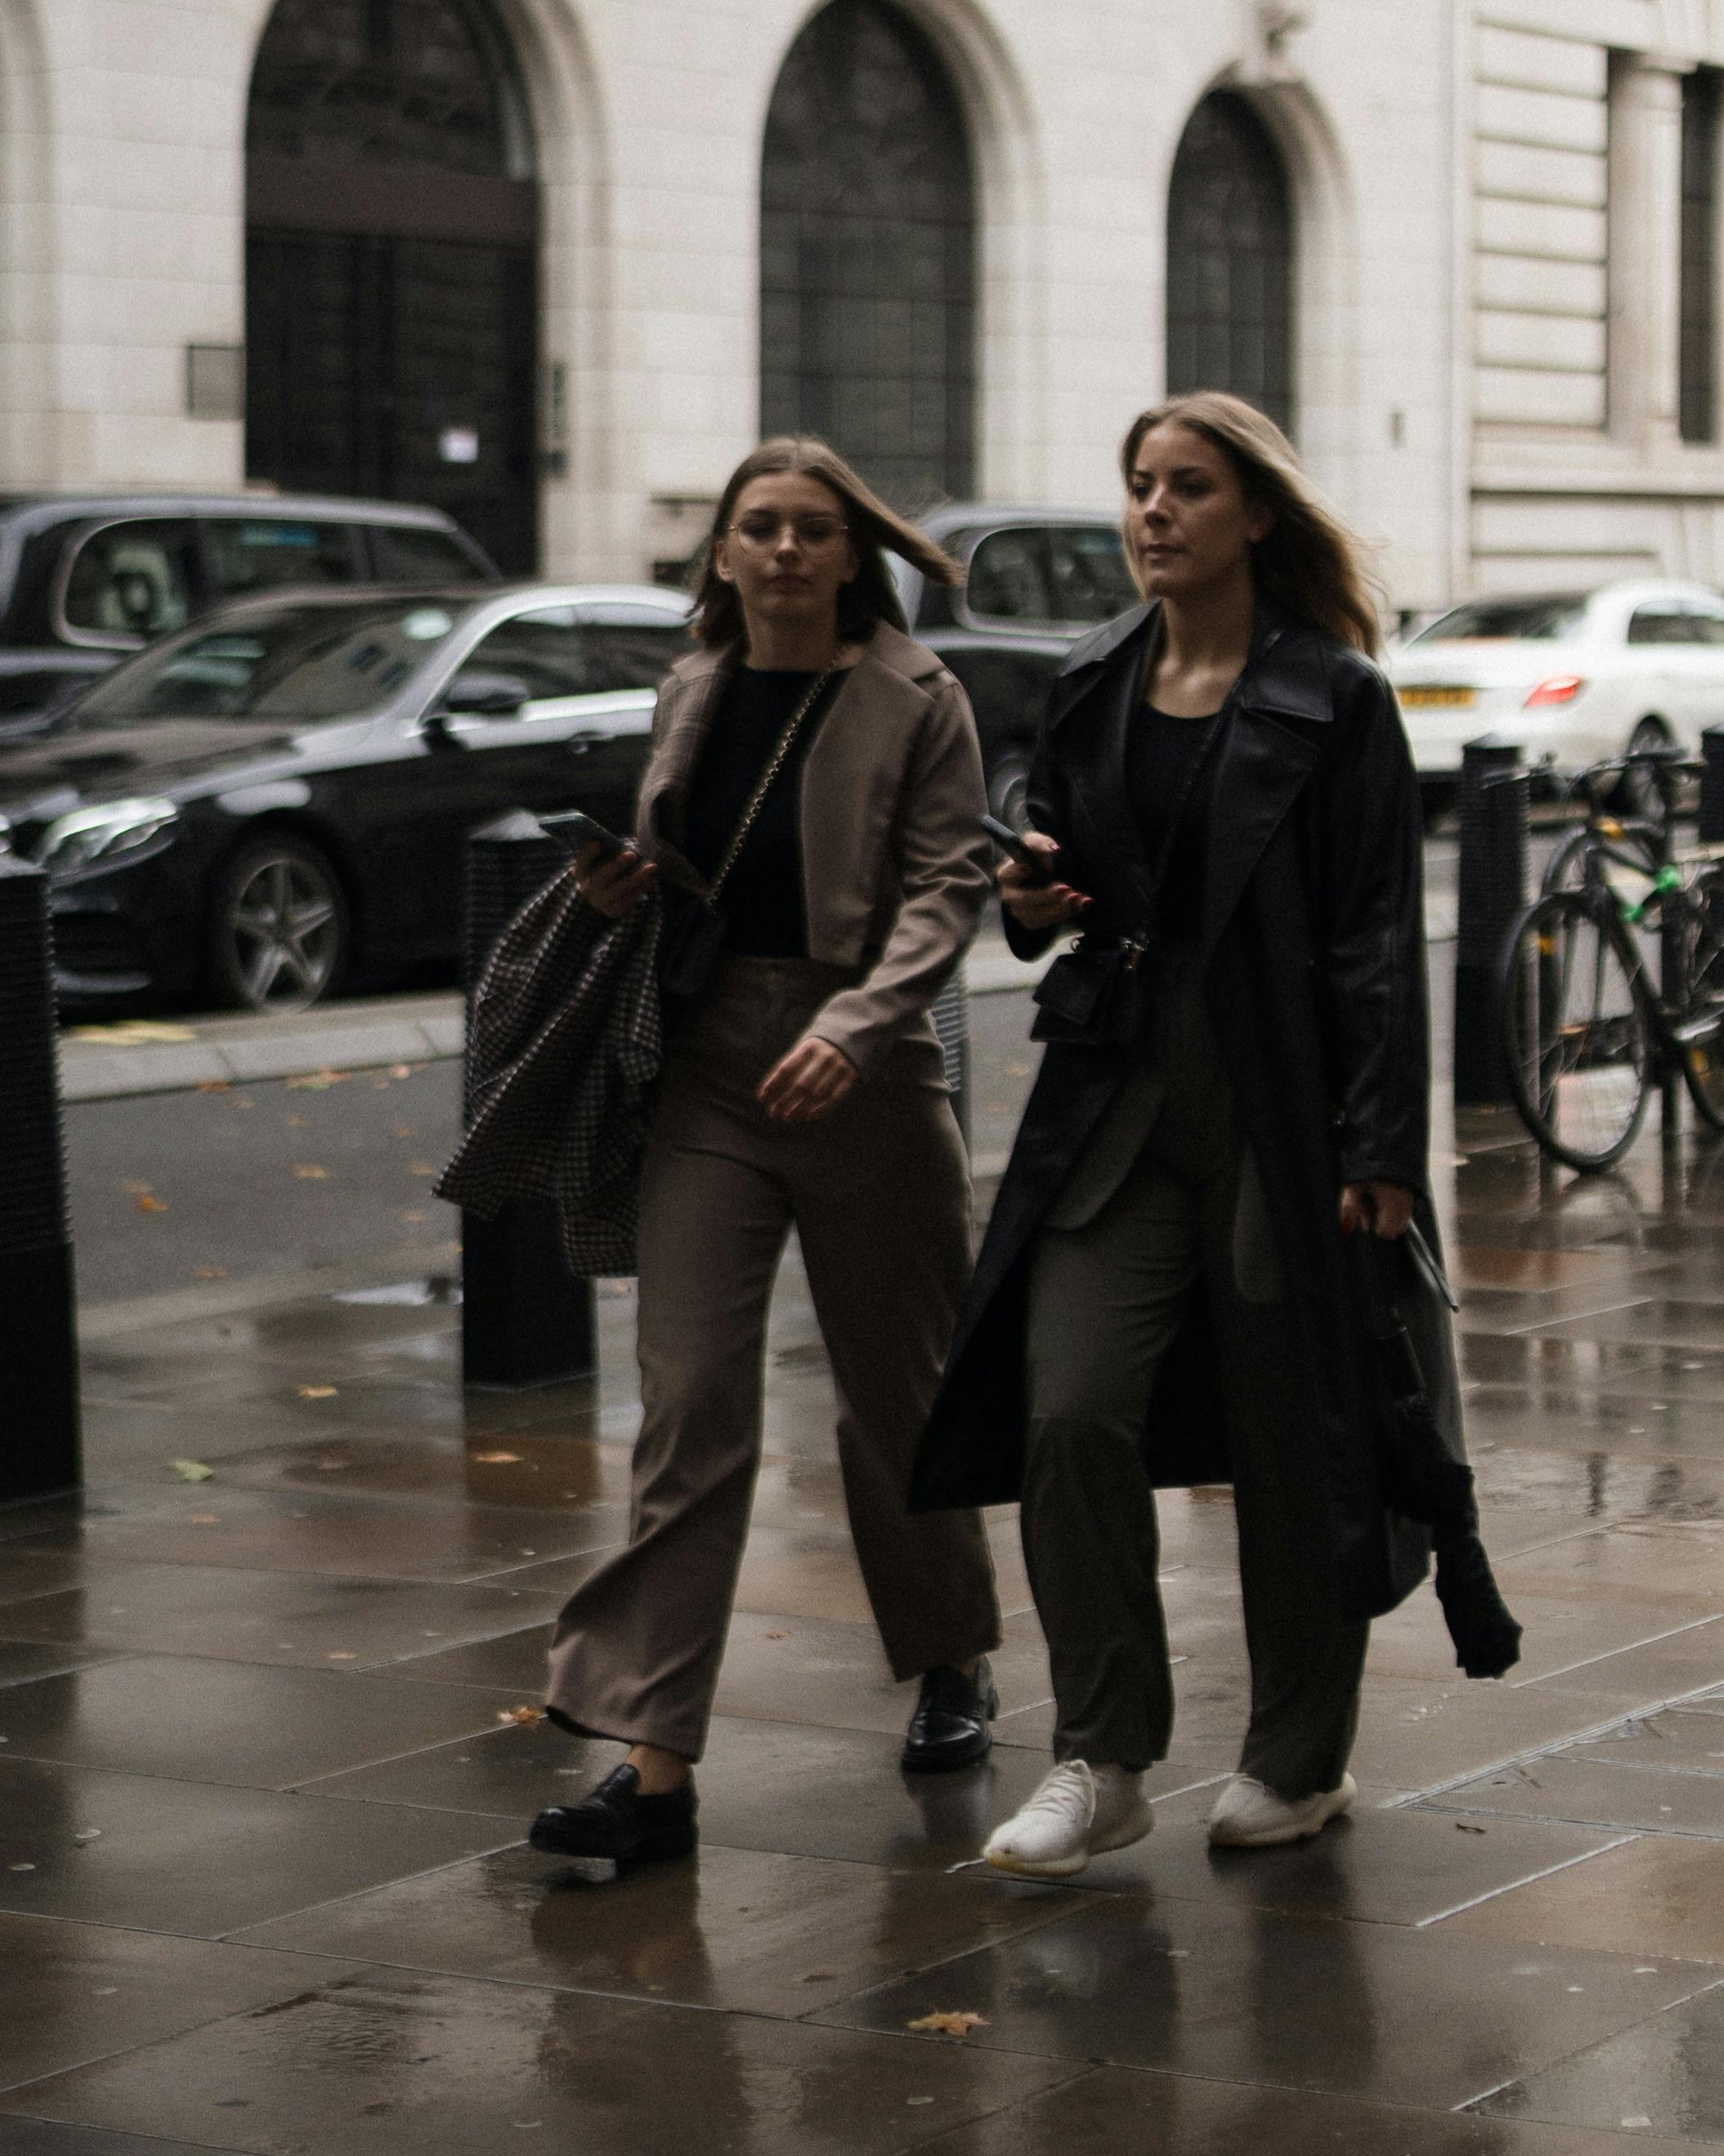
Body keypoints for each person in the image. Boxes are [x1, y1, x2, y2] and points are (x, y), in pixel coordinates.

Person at [910, 391, 1436, 1870]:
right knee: (1069, 1407)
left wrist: (1379, 1144)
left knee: (1292, 1436)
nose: (1154, 513)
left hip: (1285, 1113)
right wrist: (1029, 902)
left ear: (1255, 513)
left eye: (1188, 488)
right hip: (1120, 1102)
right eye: (1140, 485)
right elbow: (1059, 874)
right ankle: (1102, 1755)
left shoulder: (1335, 698)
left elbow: (1377, 935)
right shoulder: (1091, 680)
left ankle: (1298, 1756)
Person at [528, 436, 1001, 1881]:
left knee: (899, 1396)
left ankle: (950, 1656)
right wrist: (618, 888)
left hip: (863, 1064)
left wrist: (860, 1023)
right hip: (710, 1072)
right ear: (722, 555)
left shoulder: (920, 696)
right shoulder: (692, 686)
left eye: (812, 530)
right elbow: (690, 877)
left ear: (854, 554)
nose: (787, 551)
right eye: (760, 529)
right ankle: (653, 1766)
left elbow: (951, 881)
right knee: (690, 1405)